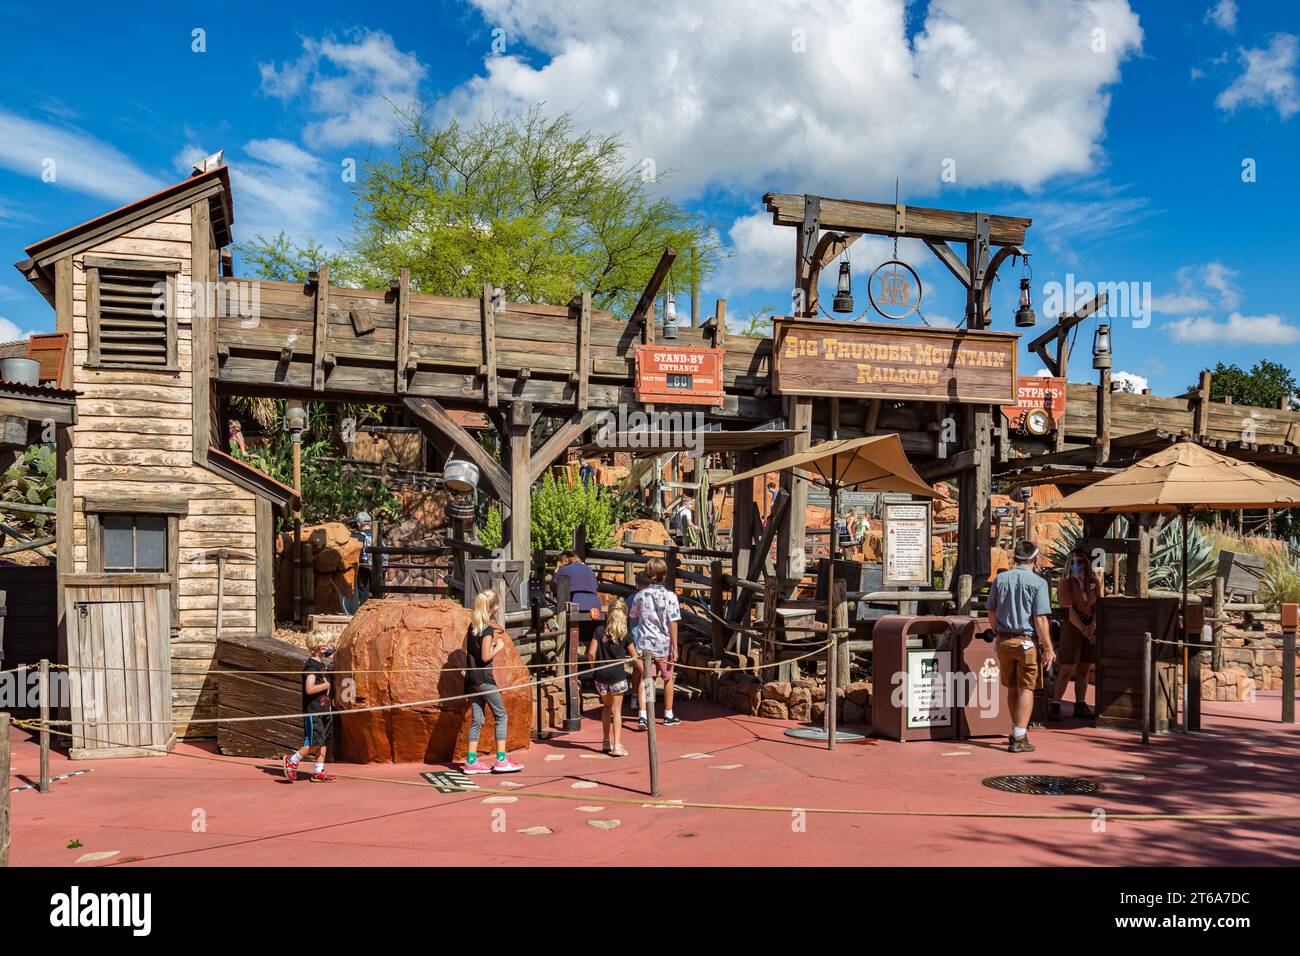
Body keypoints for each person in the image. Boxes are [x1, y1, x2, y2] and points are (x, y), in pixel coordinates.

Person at [985, 540, 1056, 753]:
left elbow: (991, 612)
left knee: (1012, 687)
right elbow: (1040, 619)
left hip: (1004, 640)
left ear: (1015, 558)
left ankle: (1016, 730)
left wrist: (997, 633)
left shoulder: (1000, 579)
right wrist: (1049, 648)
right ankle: (1018, 736)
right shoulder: (1038, 583)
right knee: (1027, 688)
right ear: (1034, 560)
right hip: (1027, 641)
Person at [463, 588, 524, 774]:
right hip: (484, 680)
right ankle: (501, 759)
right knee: (501, 716)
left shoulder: (472, 626)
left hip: (473, 681)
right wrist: (498, 646)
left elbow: (466, 651)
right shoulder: (487, 629)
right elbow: (484, 657)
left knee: (477, 719)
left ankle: (471, 761)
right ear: (495, 608)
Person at [629, 557, 681, 729]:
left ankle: (644, 713)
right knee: (667, 679)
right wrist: (675, 646)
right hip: (664, 644)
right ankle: (668, 714)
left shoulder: (641, 595)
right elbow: (673, 621)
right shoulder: (670, 596)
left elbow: (633, 615)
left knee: (647, 678)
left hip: (645, 643)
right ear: (664, 575)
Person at [1053, 547, 1101, 719]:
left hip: (1090, 626)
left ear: (1086, 563)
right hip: (1073, 626)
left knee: (1085, 667)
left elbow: (1097, 607)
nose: (1076, 565)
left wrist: (1092, 627)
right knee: (1067, 667)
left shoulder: (1094, 582)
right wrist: (1084, 630)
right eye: (1072, 562)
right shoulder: (1065, 584)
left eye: (1080, 562)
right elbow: (1069, 611)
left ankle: (1080, 704)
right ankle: (1056, 703)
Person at [283, 631, 337, 782]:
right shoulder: (311, 667)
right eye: (330, 644)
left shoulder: (321, 664)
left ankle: (318, 771)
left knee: (323, 741)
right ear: (321, 649)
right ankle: (292, 760)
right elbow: (309, 688)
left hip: (324, 709)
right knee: (314, 742)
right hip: (314, 712)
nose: (333, 647)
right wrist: (326, 684)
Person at [589, 598, 637, 756]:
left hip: (601, 677)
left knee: (606, 708)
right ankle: (617, 745)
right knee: (617, 710)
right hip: (617, 677)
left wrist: (593, 669)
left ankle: (605, 741)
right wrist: (643, 671)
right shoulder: (625, 634)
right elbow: (634, 656)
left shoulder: (599, 630)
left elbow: (590, 653)